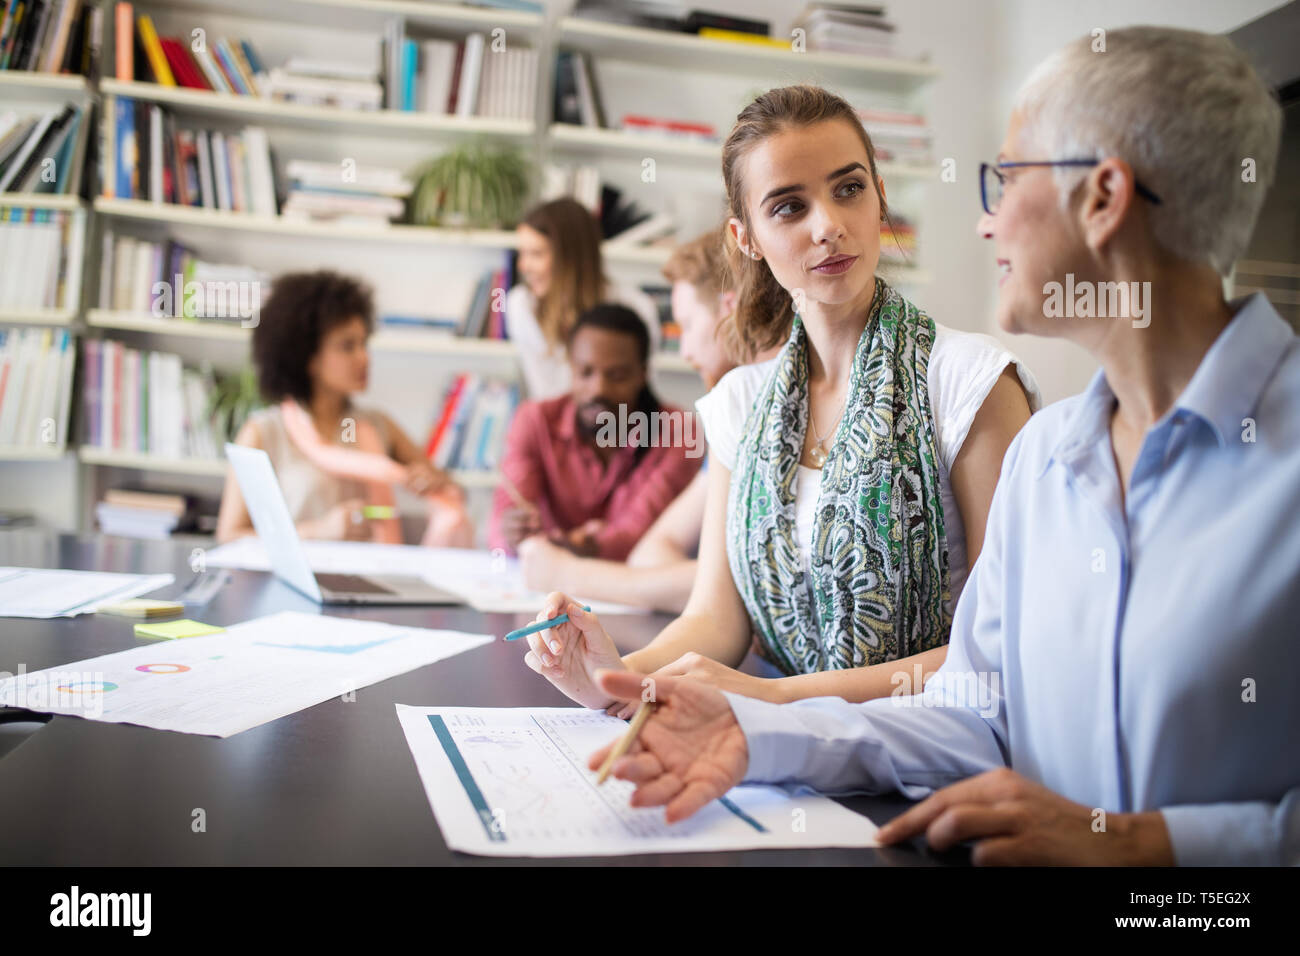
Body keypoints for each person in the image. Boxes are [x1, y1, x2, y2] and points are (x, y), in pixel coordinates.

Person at [579, 27, 1297, 867]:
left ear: (1101, 201)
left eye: (1007, 177)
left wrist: (1146, 848)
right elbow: (972, 707)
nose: (986, 220)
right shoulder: (1048, 457)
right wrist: (762, 734)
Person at [520, 84, 1040, 711]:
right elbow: (717, 621)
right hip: (773, 753)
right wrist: (613, 674)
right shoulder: (740, 403)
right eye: (790, 207)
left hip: (928, 758)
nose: (829, 226)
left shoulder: (970, 381)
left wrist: (777, 700)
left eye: (849, 188)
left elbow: (1002, 644)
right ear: (747, 239)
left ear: (879, 199)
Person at [517, 226, 780, 613]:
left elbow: (751, 584)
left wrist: (565, 573)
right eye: (584, 371)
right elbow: (657, 556)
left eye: (687, 325)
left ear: (729, 309)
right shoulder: (739, 412)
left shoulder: (758, 406)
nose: (686, 349)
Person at [216, 270, 472, 547]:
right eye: (347, 346)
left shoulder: (377, 425)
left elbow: (453, 492)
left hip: (375, 584)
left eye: (364, 343)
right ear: (307, 357)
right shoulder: (264, 433)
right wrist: (316, 532)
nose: (364, 358)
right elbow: (230, 538)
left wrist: (434, 481)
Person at [488, 303, 702, 561]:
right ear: (570, 367)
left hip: (633, 585)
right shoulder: (535, 421)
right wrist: (512, 533)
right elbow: (504, 521)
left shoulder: (678, 431)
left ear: (643, 374)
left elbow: (643, 531)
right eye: (585, 372)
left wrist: (588, 546)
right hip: (545, 581)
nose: (598, 389)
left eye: (617, 375)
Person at [508, 197, 661, 400]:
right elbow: (542, 393)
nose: (523, 266)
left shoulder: (636, 307)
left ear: (571, 258)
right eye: (522, 253)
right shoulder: (521, 305)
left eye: (536, 253)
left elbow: (641, 388)